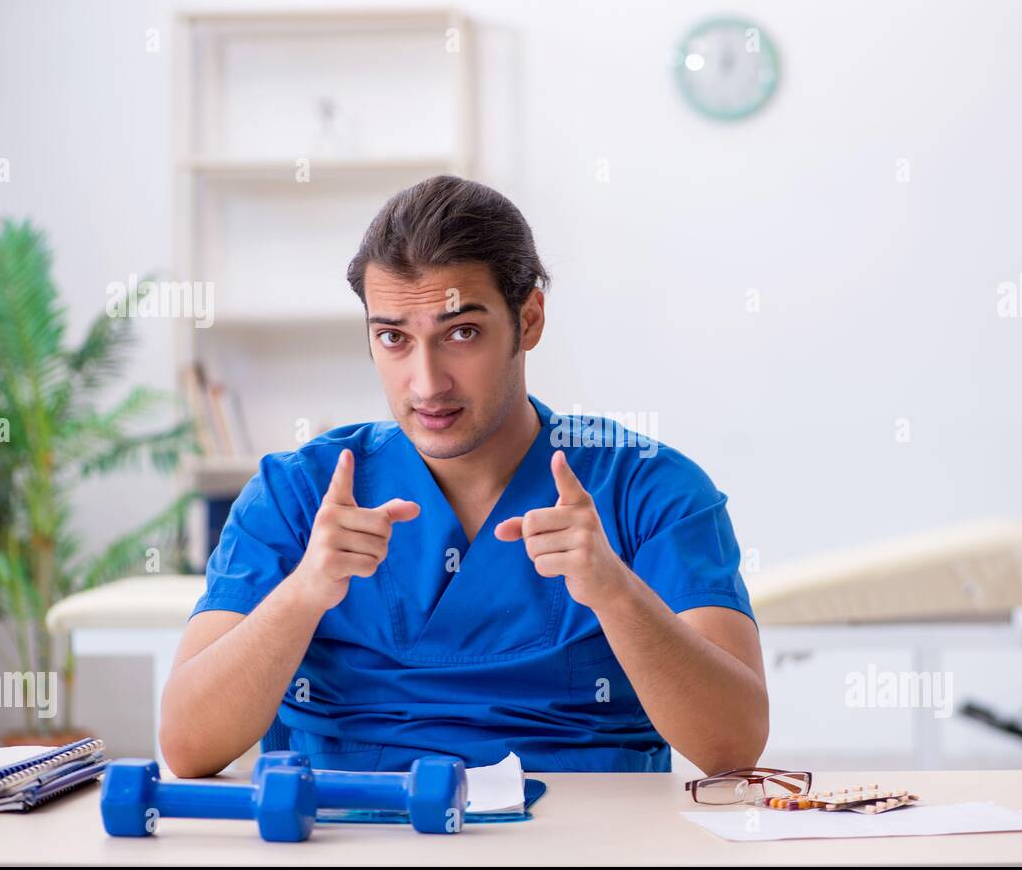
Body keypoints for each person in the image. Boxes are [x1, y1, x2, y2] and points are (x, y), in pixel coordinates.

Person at [160, 175, 767, 776]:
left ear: (528, 320)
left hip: (576, 838)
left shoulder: (651, 491)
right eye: (393, 338)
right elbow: (188, 746)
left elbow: (732, 747)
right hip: (349, 832)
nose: (427, 384)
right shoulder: (296, 494)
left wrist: (615, 592)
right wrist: (304, 593)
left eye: (462, 333)